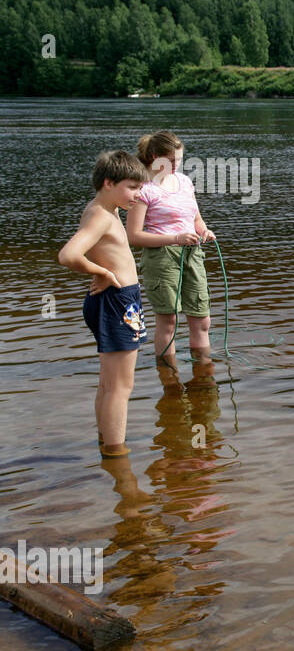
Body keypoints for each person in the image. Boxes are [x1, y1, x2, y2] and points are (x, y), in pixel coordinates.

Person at [57, 151, 151, 457]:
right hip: (117, 303)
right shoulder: (101, 214)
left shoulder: (103, 209)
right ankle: (116, 455)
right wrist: (103, 272)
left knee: (109, 384)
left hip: (115, 301)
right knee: (121, 387)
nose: (138, 195)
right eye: (132, 187)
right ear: (108, 182)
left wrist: (102, 270)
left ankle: (105, 443)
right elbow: (68, 255)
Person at [127, 131, 215, 367]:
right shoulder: (143, 188)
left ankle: (204, 374)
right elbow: (134, 236)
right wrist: (175, 238)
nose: (176, 165)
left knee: (202, 319)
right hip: (161, 257)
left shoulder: (185, 182)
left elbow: (196, 220)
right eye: (171, 160)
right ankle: (170, 379)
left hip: (192, 254)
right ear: (155, 157)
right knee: (169, 320)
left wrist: (204, 231)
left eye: (179, 159)